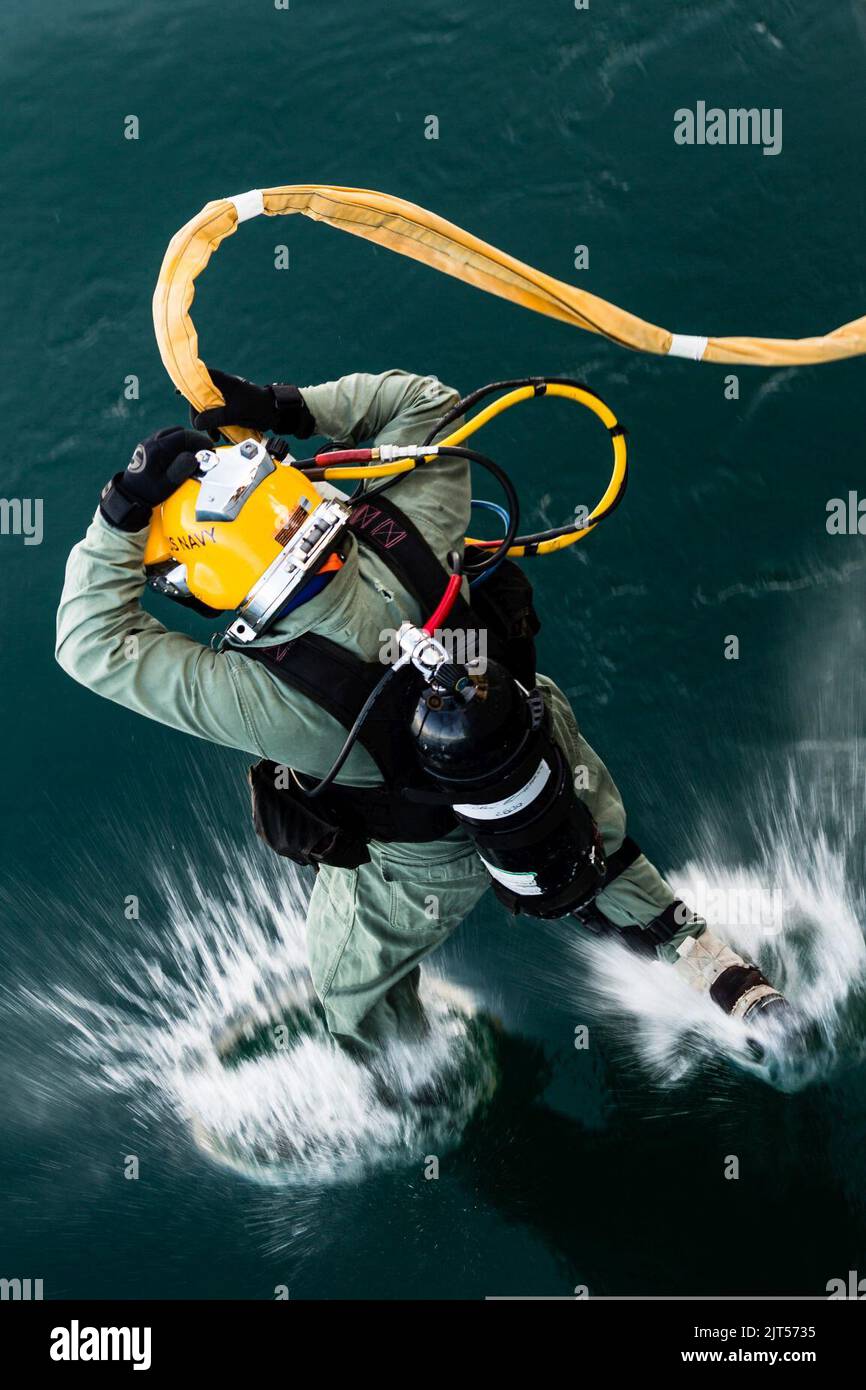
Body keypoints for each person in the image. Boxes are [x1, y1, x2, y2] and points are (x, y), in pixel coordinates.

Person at [56, 368, 785, 1057]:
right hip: (533, 740)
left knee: (344, 981)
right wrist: (279, 407)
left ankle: (410, 1079)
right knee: (602, 847)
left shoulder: (266, 697)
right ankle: (717, 970)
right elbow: (429, 403)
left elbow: (89, 641)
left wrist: (122, 513)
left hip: (428, 861)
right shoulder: (407, 524)